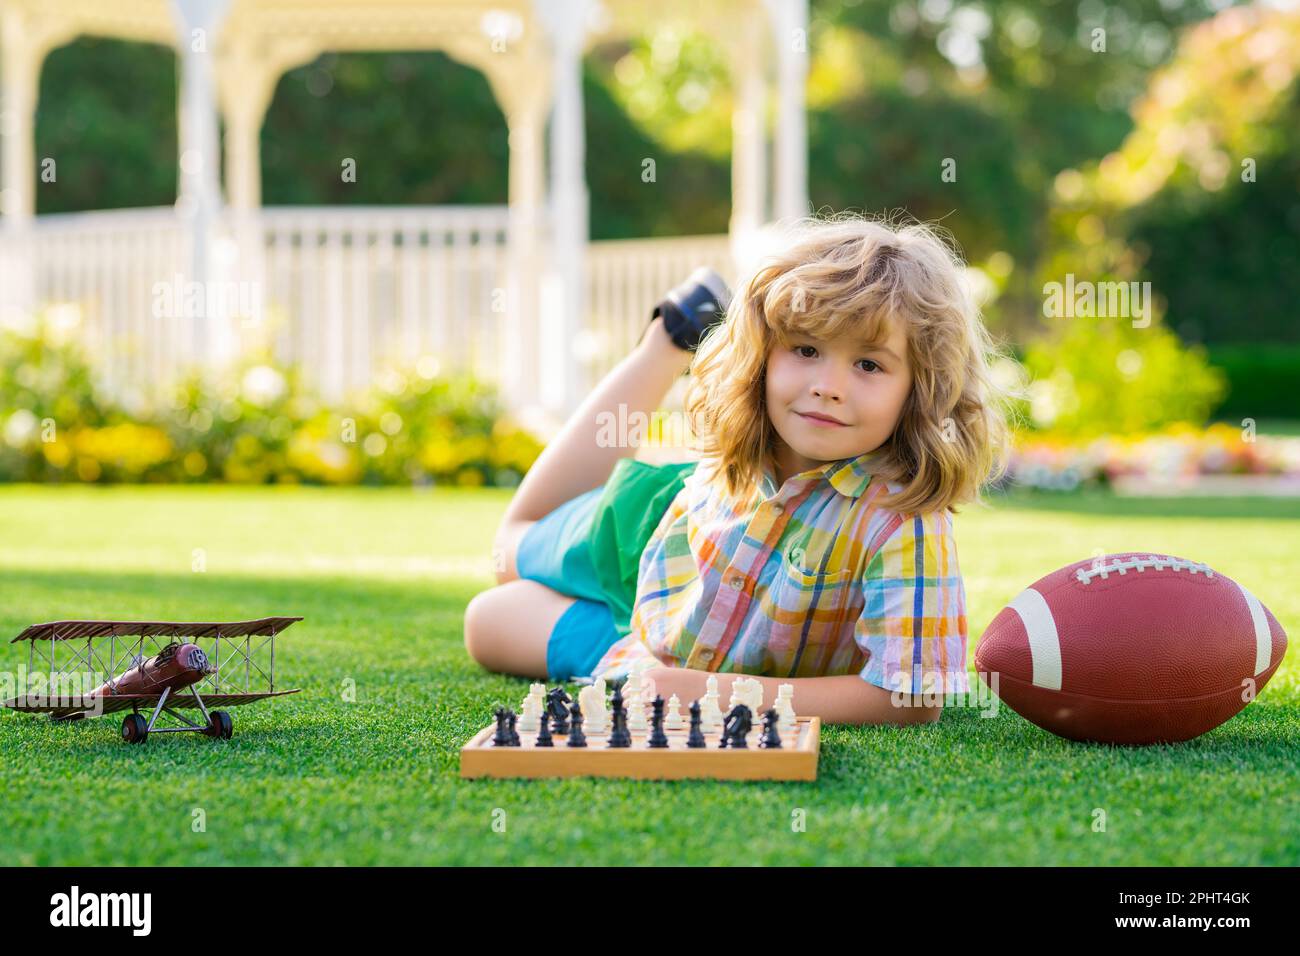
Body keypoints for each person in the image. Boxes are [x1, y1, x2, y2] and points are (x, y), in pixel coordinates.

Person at [464, 212, 1016, 725]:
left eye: (869, 364)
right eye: (805, 349)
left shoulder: (903, 519)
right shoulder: (741, 447)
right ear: (763, 351)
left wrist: (705, 691)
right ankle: (674, 333)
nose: (828, 385)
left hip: (657, 638)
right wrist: (709, 690)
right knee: (509, 552)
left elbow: (913, 697)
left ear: (921, 390)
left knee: (487, 622)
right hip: (651, 529)